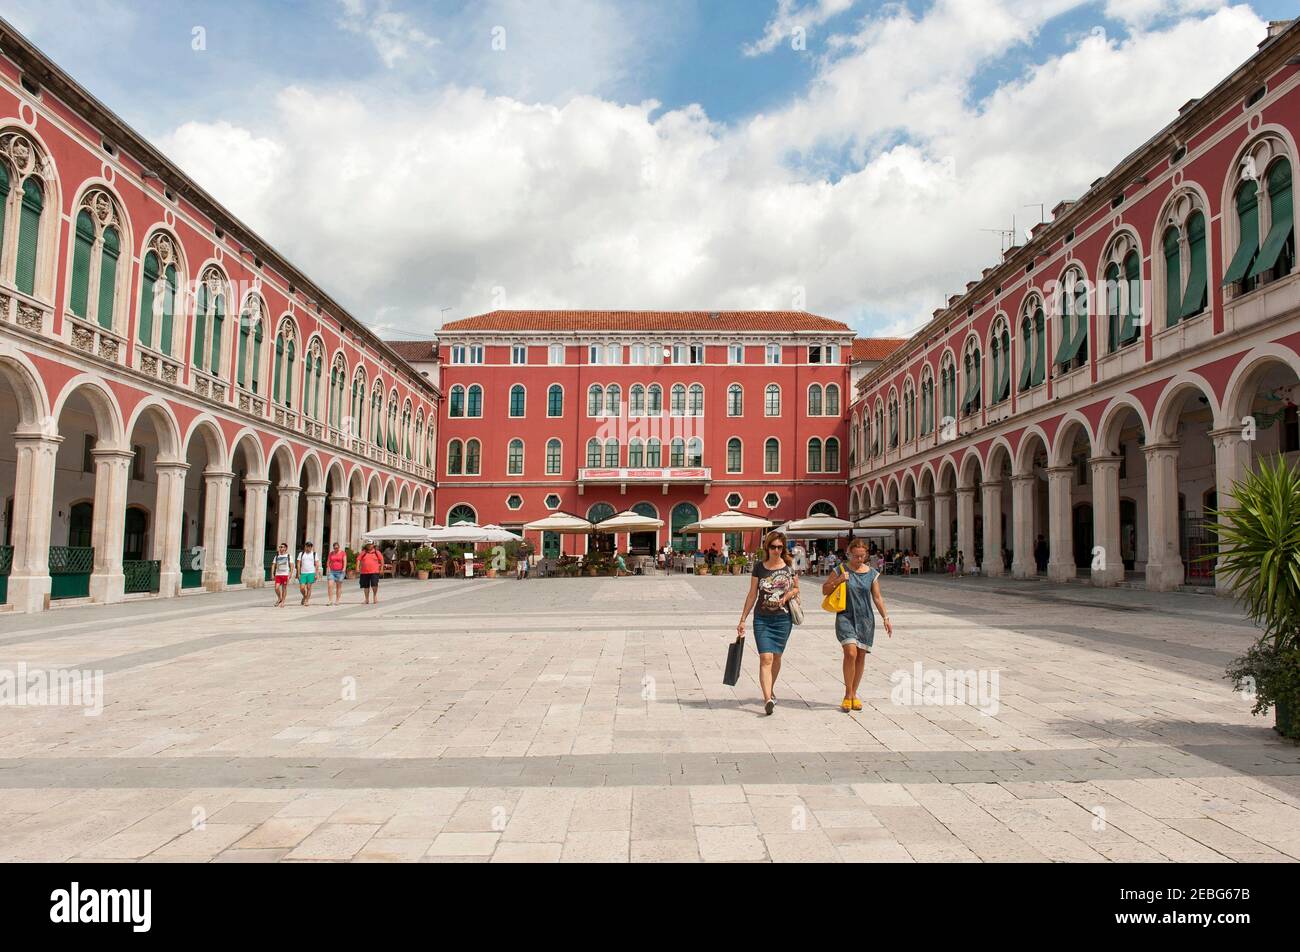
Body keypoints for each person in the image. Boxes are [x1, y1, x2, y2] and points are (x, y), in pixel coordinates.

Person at [823, 538, 893, 712]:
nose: (859, 560)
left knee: (861, 656)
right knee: (851, 653)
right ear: (849, 554)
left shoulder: (872, 573)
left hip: (865, 619)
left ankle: (854, 693)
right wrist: (838, 580)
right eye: (856, 556)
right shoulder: (840, 569)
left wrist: (885, 617)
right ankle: (847, 694)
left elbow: (877, 597)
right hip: (845, 617)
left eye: (862, 556)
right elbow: (825, 590)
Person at [736, 530, 800, 716]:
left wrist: (787, 595)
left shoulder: (789, 567)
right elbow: (752, 594)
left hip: (783, 619)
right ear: (767, 547)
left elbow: (796, 588)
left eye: (780, 547)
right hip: (762, 619)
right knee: (766, 658)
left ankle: (770, 688)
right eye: (773, 547)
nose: (777, 551)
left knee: (777, 657)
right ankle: (767, 699)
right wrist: (742, 619)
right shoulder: (759, 567)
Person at [296, 541, 318, 606]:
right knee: (302, 588)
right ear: (305, 546)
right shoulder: (301, 554)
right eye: (307, 546)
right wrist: (298, 573)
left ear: (311, 547)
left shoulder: (314, 554)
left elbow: (317, 564)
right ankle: (305, 596)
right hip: (303, 573)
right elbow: (298, 564)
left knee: (309, 587)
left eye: (309, 546)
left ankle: (307, 600)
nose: (308, 547)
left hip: (311, 572)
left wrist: (316, 574)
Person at [271, 542, 292, 607]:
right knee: (276, 588)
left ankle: (283, 602)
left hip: (285, 574)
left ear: (285, 548)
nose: (280, 548)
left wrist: (290, 574)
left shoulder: (289, 556)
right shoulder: (277, 556)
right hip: (278, 574)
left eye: (282, 547)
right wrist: (272, 574)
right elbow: (273, 565)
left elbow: (292, 566)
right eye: (280, 547)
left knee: (284, 588)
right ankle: (279, 598)